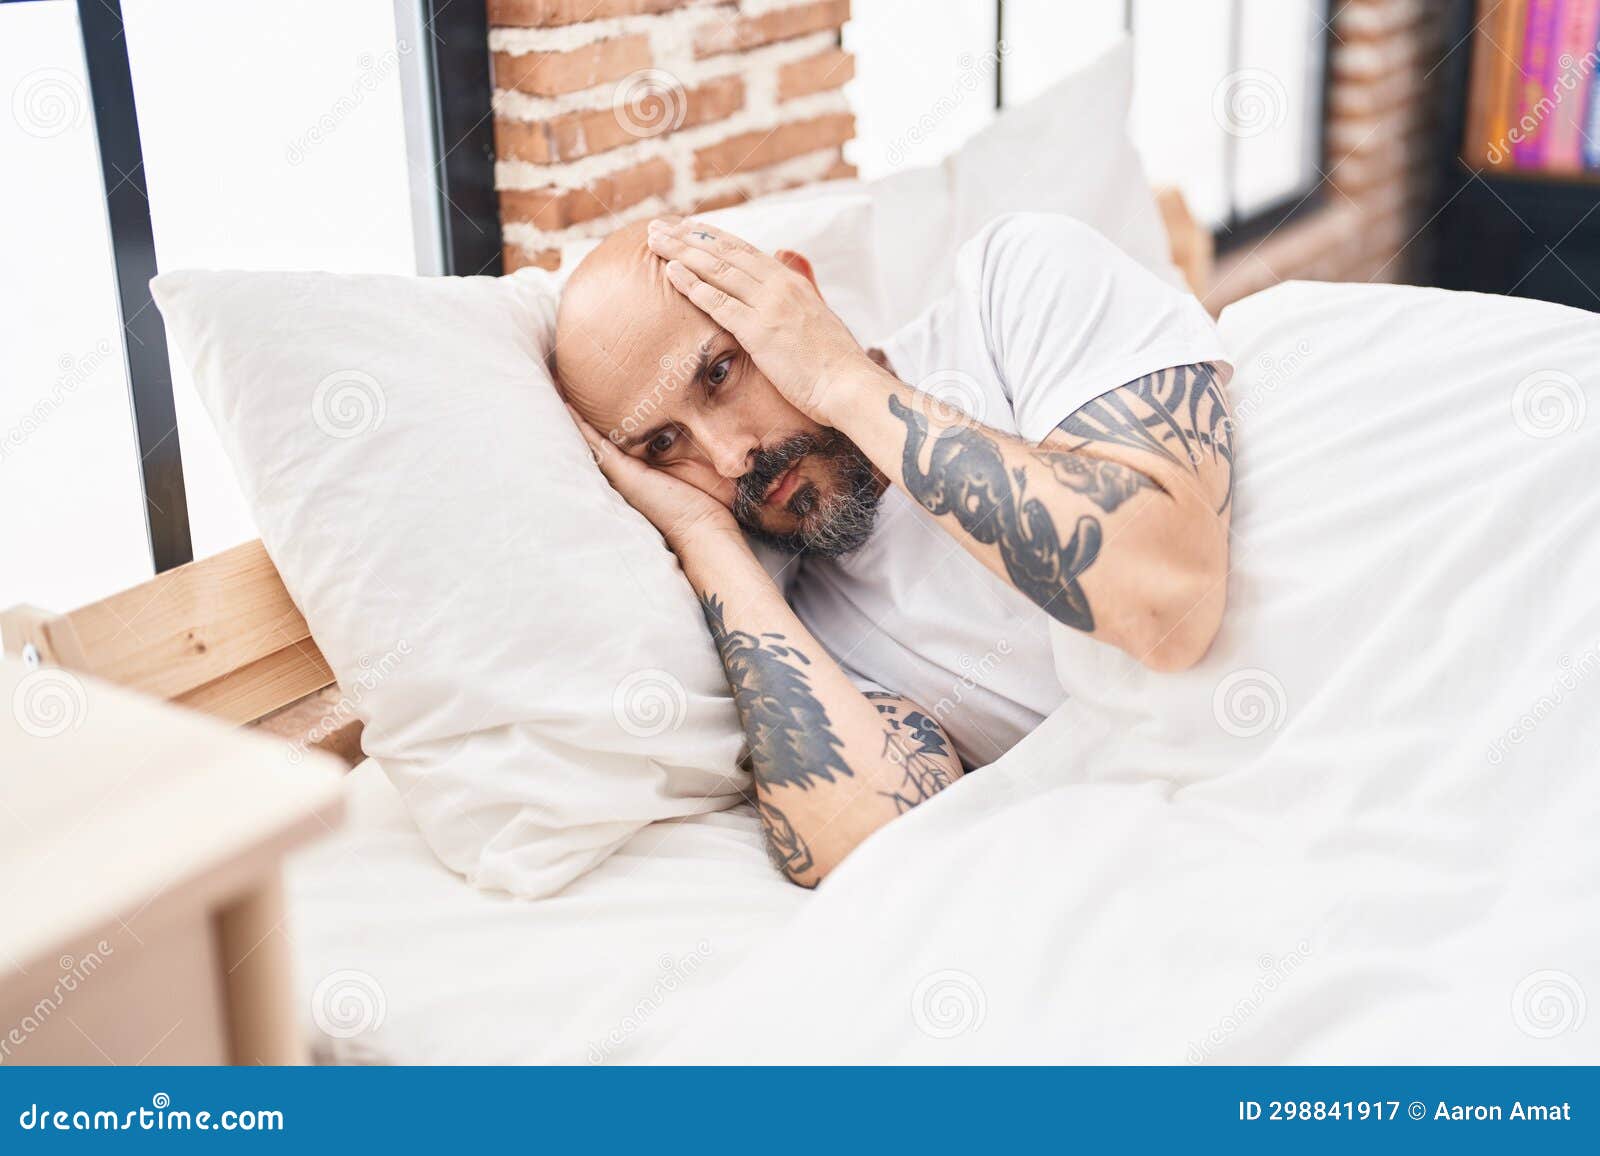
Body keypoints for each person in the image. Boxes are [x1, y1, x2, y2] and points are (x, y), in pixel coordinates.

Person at [556, 211, 1233, 887]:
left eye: (721, 373)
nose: (731, 458)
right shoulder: (801, 627)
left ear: (796, 293)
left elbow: (1170, 599)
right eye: (665, 445)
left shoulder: (1015, 289)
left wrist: (838, 380)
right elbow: (870, 843)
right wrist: (703, 540)